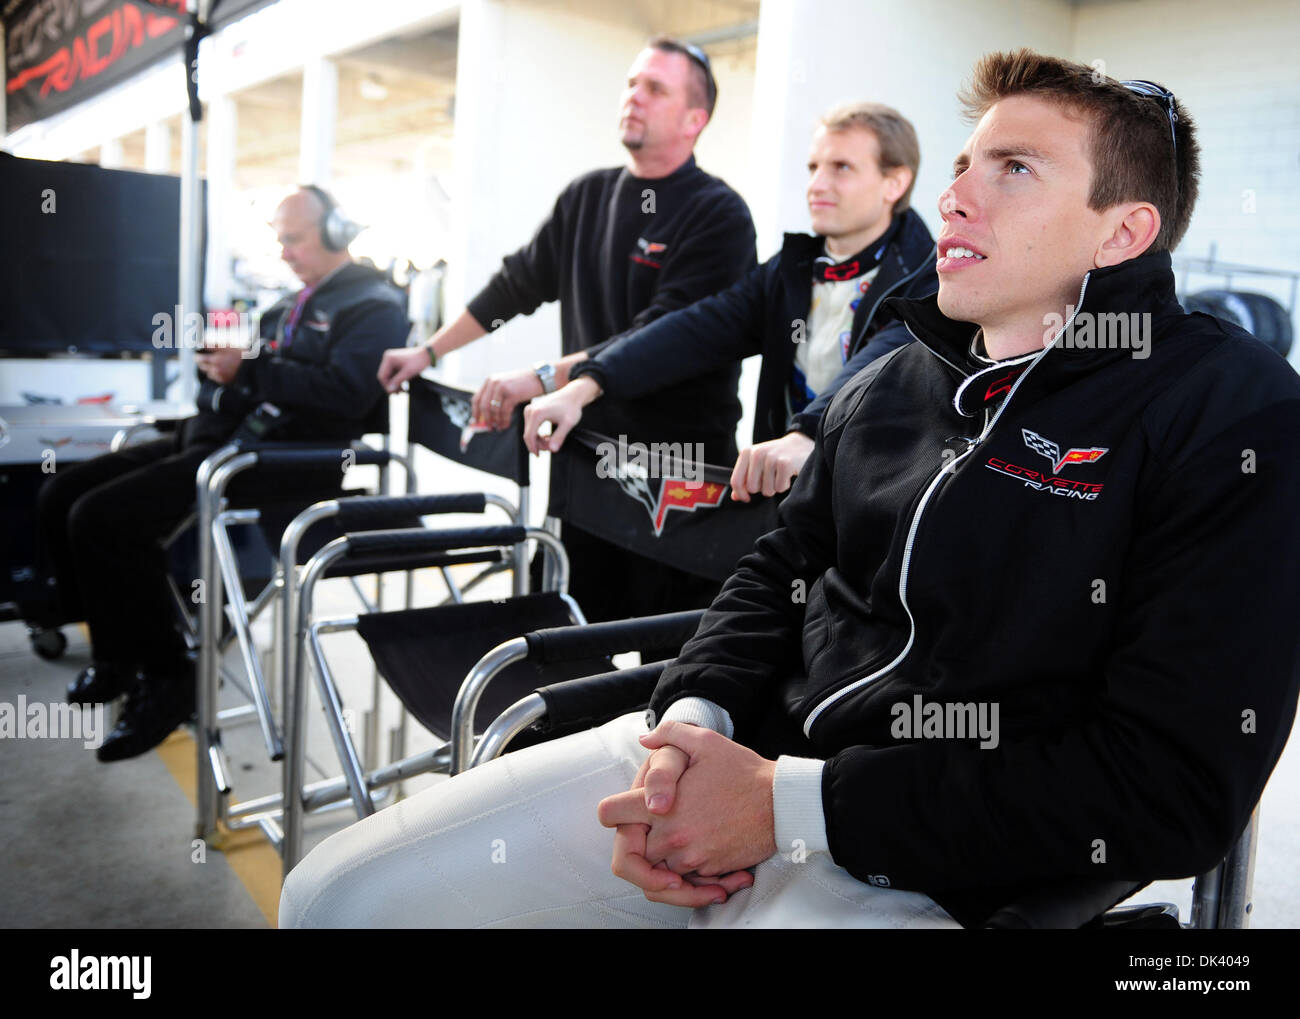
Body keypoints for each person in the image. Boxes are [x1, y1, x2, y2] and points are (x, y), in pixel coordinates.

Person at [280, 51, 1300, 929]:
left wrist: (792, 804)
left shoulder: (1228, 411)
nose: (955, 196)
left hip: (938, 857)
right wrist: (697, 721)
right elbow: (780, 563)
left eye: (1015, 169)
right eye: (961, 166)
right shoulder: (899, 369)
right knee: (332, 899)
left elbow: (1169, 785)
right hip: (738, 759)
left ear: (1121, 232)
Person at [376, 37, 757, 621]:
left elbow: (662, 334)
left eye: (655, 88)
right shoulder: (587, 196)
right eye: (632, 83)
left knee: (668, 677)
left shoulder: (719, 214)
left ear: (694, 119)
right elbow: (516, 287)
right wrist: (428, 351)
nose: (634, 96)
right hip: (588, 472)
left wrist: (541, 377)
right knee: (566, 659)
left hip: (679, 487)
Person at [38, 186, 409, 763]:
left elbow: (347, 395)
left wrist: (250, 371)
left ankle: (168, 678)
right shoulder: (288, 307)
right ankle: (117, 657)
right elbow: (247, 382)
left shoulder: (375, 305)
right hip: (228, 437)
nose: (284, 252)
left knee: (101, 518)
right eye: (278, 240)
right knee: (60, 493)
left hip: (286, 461)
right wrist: (221, 375)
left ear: (336, 232)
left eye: (294, 239)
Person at [522, 102, 936, 503]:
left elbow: (878, 369)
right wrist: (586, 384)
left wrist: (806, 433)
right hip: (788, 506)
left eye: (841, 167)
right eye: (813, 167)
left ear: (894, 183)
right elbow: (694, 330)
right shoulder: (788, 270)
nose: (817, 184)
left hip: (876, 518)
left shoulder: (928, 279)